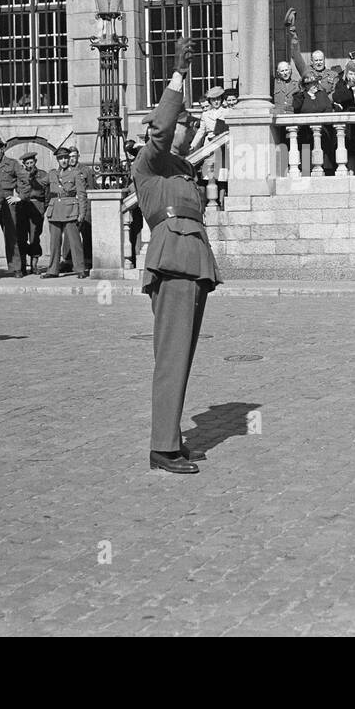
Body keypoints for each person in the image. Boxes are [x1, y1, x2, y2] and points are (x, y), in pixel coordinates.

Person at [133, 36, 221, 474]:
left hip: (193, 266)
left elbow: (197, 139)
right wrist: (179, 75)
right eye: (184, 125)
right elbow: (165, 128)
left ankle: (172, 436)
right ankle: (162, 447)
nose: (187, 129)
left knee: (181, 357)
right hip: (172, 265)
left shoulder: (183, 170)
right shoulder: (148, 165)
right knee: (170, 357)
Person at [0, 138, 29, 278]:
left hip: (8, 203)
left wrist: (20, 197)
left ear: (2, 150)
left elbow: (25, 179)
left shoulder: (13, 163)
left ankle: (16, 268)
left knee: (11, 236)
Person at [42, 148, 88, 278]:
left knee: (75, 242)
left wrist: (82, 213)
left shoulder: (75, 173)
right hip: (55, 209)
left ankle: (80, 269)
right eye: (61, 158)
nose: (63, 161)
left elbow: (81, 194)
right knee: (54, 242)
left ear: (69, 159)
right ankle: (52, 270)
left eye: (65, 158)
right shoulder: (52, 174)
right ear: (57, 160)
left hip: (71, 210)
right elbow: (39, 183)